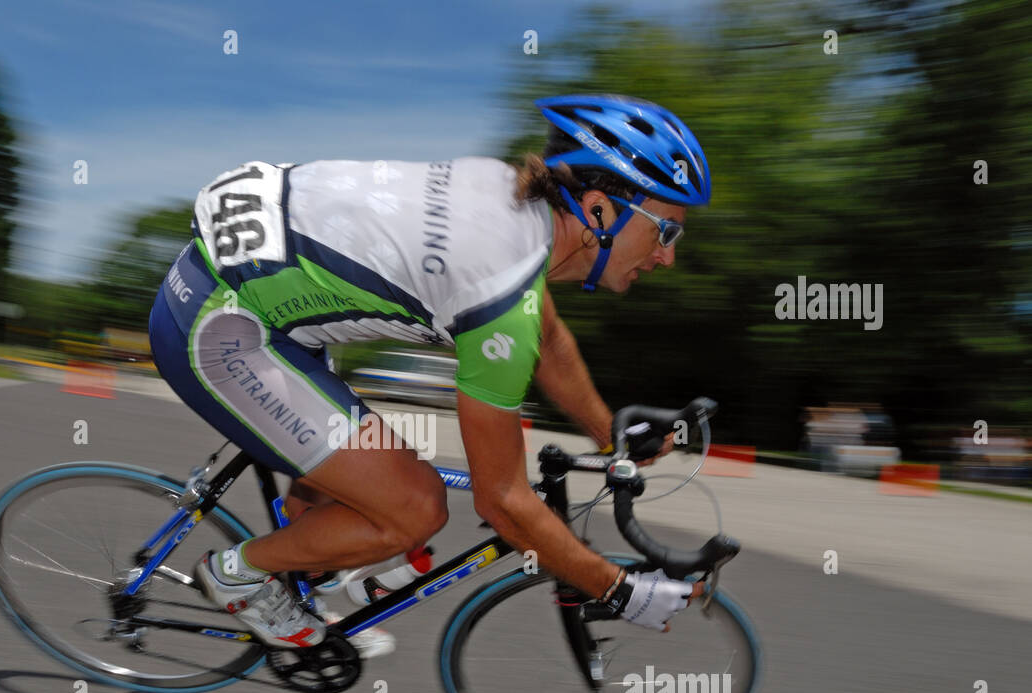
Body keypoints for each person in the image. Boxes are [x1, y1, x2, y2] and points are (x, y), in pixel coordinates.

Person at [147, 93, 712, 659]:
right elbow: (503, 502)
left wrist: (607, 433)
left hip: (263, 289)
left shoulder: (511, 202)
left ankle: (316, 574)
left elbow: (552, 341)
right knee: (415, 509)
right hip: (220, 325)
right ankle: (237, 575)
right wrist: (615, 589)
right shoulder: (499, 294)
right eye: (666, 233)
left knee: (354, 493)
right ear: (597, 210)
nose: (666, 258)